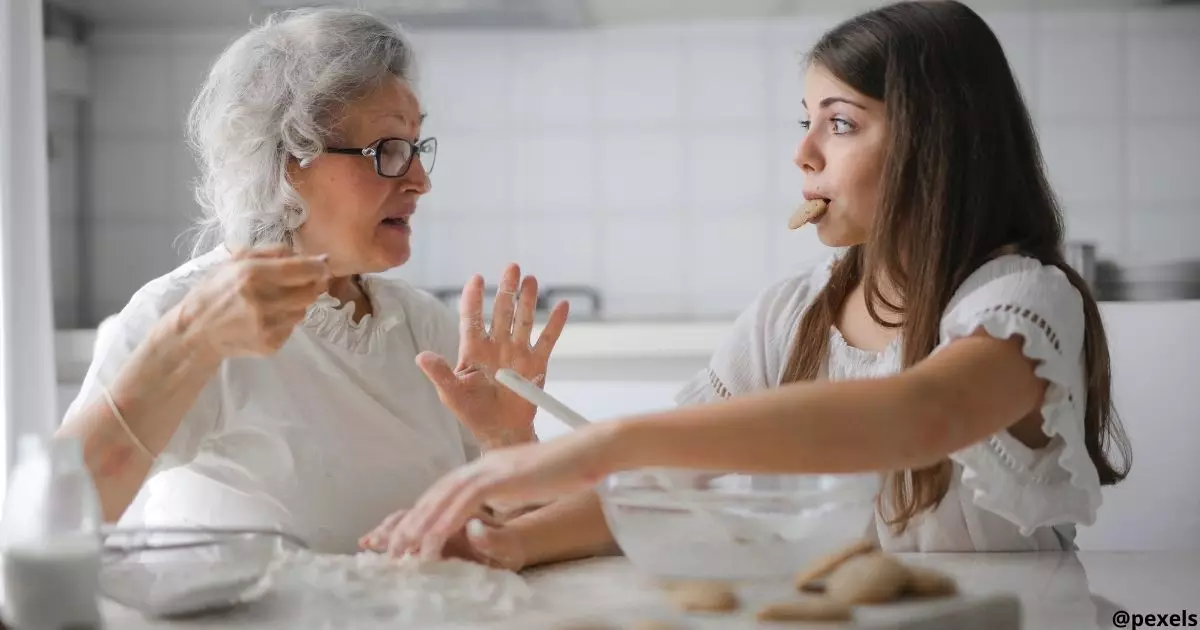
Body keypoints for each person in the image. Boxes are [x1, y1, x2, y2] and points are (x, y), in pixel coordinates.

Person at [364, 0, 1133, 566]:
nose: (802, 152)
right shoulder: (791, 313)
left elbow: (921, 414)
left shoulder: (1023, 302)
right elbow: (675, 484)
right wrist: (510, 536)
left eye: (839, 122)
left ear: (938, 142)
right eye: (804, 120)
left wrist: (611, 439)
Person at [55, 7, 568, 554]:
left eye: (417, 148)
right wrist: (188, 343)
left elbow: (513, 540)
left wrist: (507, 440)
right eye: (388, 151)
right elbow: (56, 516)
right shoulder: (184, 312)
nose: (420, 180)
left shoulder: (424, 328)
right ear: (286, 160)